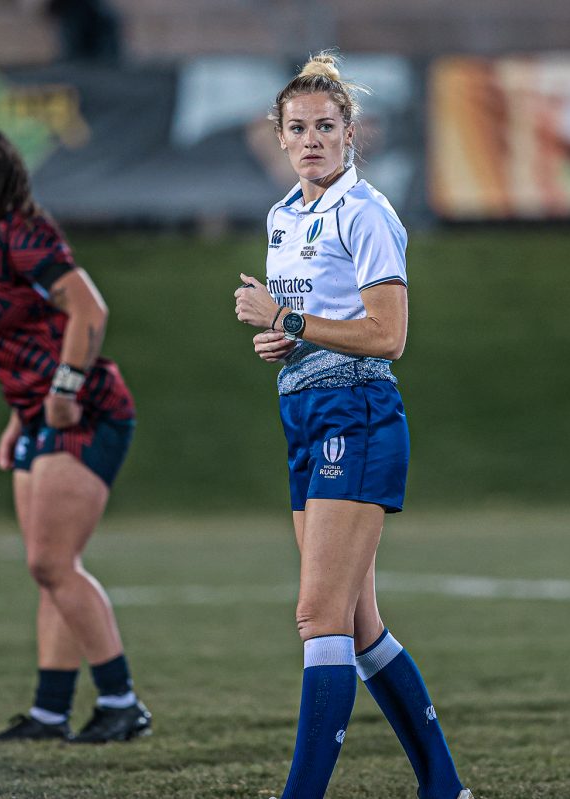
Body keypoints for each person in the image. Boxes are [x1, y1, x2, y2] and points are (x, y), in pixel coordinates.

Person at [233, 53, 474, 799]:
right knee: (360, 624)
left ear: (350, 133)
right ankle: (445, 787)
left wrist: (287, 318)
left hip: (356, 412)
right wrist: (282, 339)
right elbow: (311, 326)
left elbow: (387, 334)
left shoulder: (365, 211)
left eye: (325, 127)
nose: (311, 139)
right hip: (304, 411)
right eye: (297, 127)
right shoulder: (284, 217)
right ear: (278, 136)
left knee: (318, 613)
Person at [0, 129, 150, 744]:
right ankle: (51, 712)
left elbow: (90, 310)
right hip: (40, 416)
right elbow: (31, 338)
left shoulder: (21, 233)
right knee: (51, 570)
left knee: (51, 562)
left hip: (85, 412)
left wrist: (61, 389)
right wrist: (19, 415)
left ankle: (122, 701)